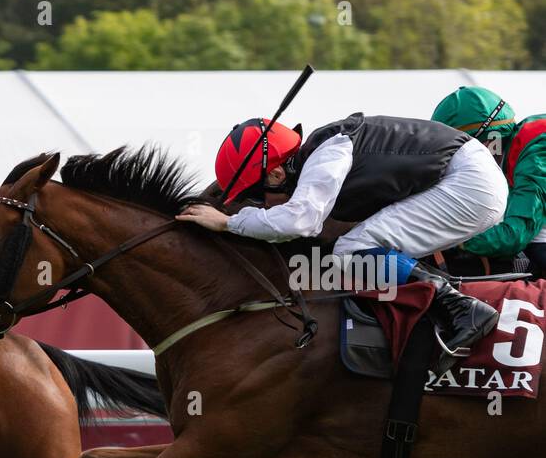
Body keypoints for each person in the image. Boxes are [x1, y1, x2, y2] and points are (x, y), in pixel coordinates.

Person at [177, 113, 508, 358]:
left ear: (277, 173)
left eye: (258, 195)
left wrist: (228, 223)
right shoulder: (320, 155)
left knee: (352, 251)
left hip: (467, 184)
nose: (262, 205)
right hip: (465, 181)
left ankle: (462, 308)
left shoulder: (327, 153)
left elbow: (300, 221)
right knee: (359, 248)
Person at [432, 86, 546, 279]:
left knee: (533, 244)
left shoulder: (535, 154)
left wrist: (455, 241)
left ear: (487, 142)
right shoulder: (519, 148)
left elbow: (514, 235)